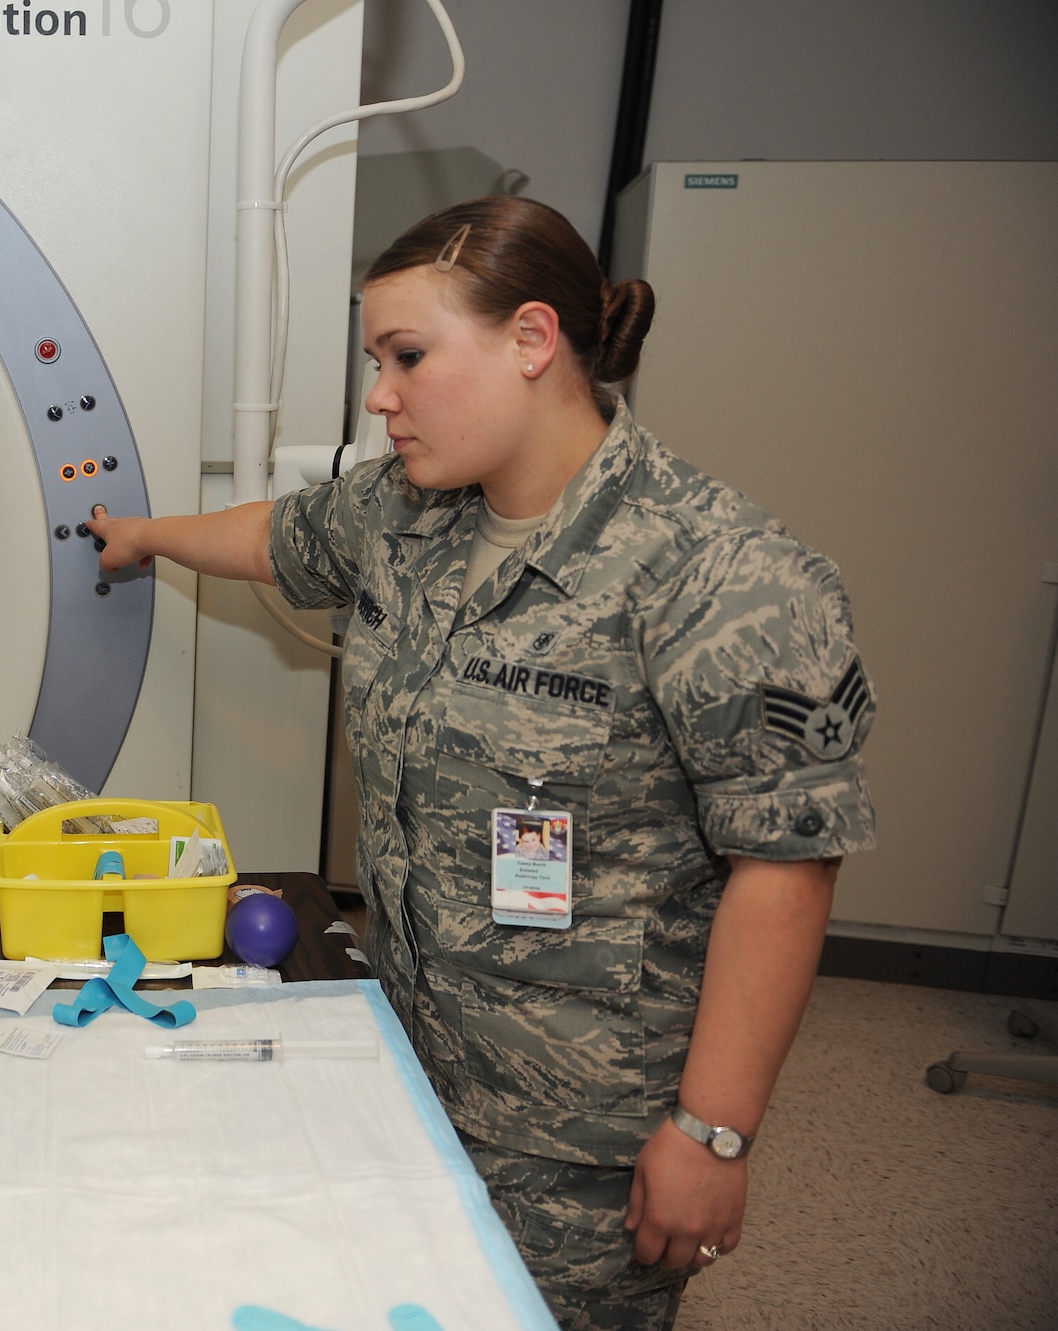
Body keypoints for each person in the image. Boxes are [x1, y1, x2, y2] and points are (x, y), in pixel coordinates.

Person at [85, 196, 875, 1330]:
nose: (377, 395)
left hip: (577, 1133)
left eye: (405, 355)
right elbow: (274, 538)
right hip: (401, 1056)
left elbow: (785, 870)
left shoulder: (724, 579)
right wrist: (150, 536)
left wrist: (711, 1131)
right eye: (375, 359)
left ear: (530, 340)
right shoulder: (406, 512)